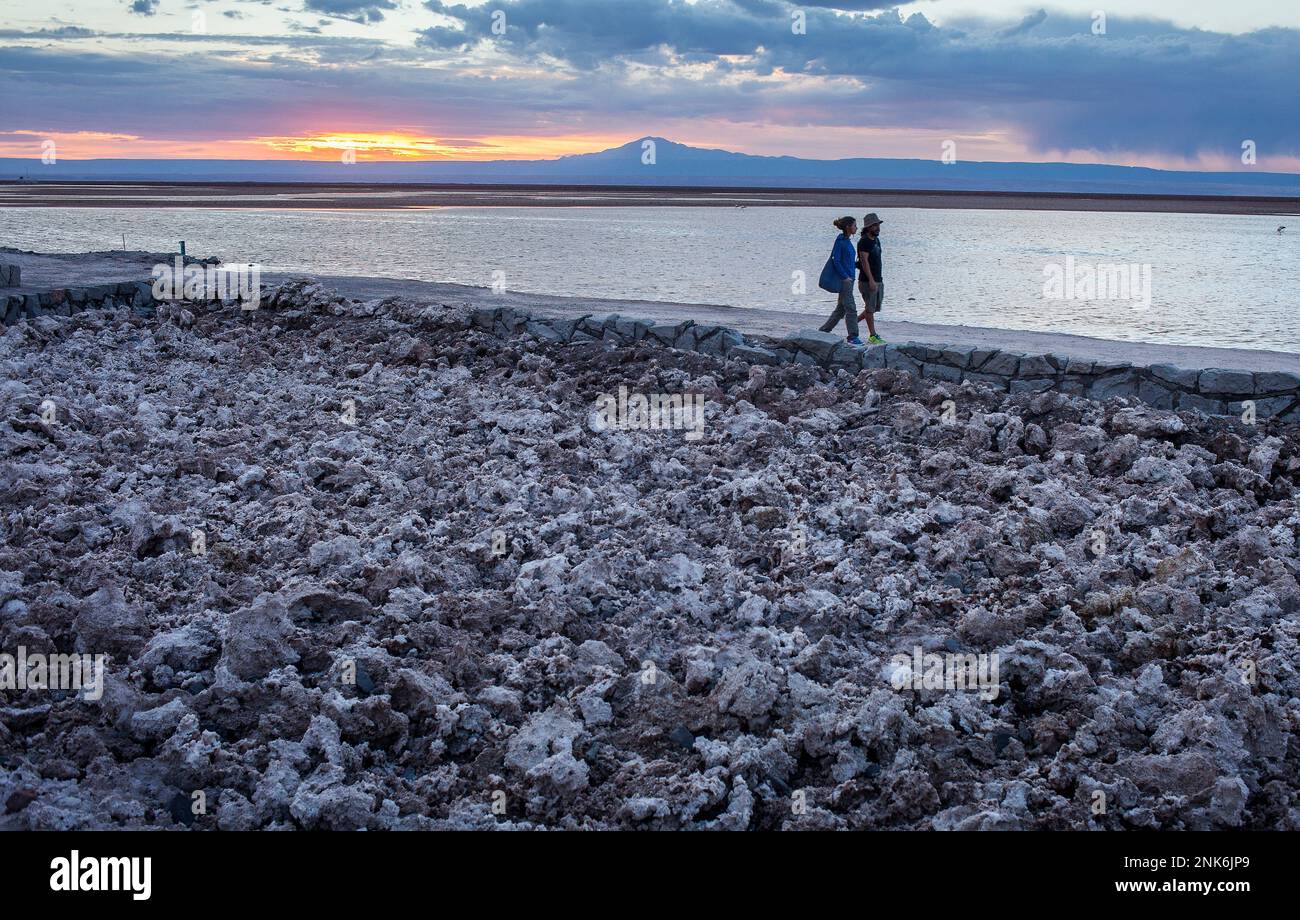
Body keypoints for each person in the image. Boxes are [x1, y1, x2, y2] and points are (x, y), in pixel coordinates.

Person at [819, 216, 864, 345]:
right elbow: (836, 260)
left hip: (850, 279)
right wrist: (845, 277)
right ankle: (853, 336)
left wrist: (857, 265)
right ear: (848, 227)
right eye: (854, 225)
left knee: (840, 309)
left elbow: (846, 260)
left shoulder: (847, 241)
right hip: (845, 281)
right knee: (851, 308)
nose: (856, 227)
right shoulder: (840, 241)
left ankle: (823, 331)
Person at [856, 212, 885, 344]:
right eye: (874, 225)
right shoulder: (864, 241)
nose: (877, 227)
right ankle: (872, 335)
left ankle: (853, 322)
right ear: (868, 227)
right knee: (870, 308)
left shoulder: (876, 239)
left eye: (878, 225)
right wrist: (871, 280)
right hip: (867, 281)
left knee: (873, 308)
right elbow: (864, 261)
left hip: (878, 279)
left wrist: (878, 280)